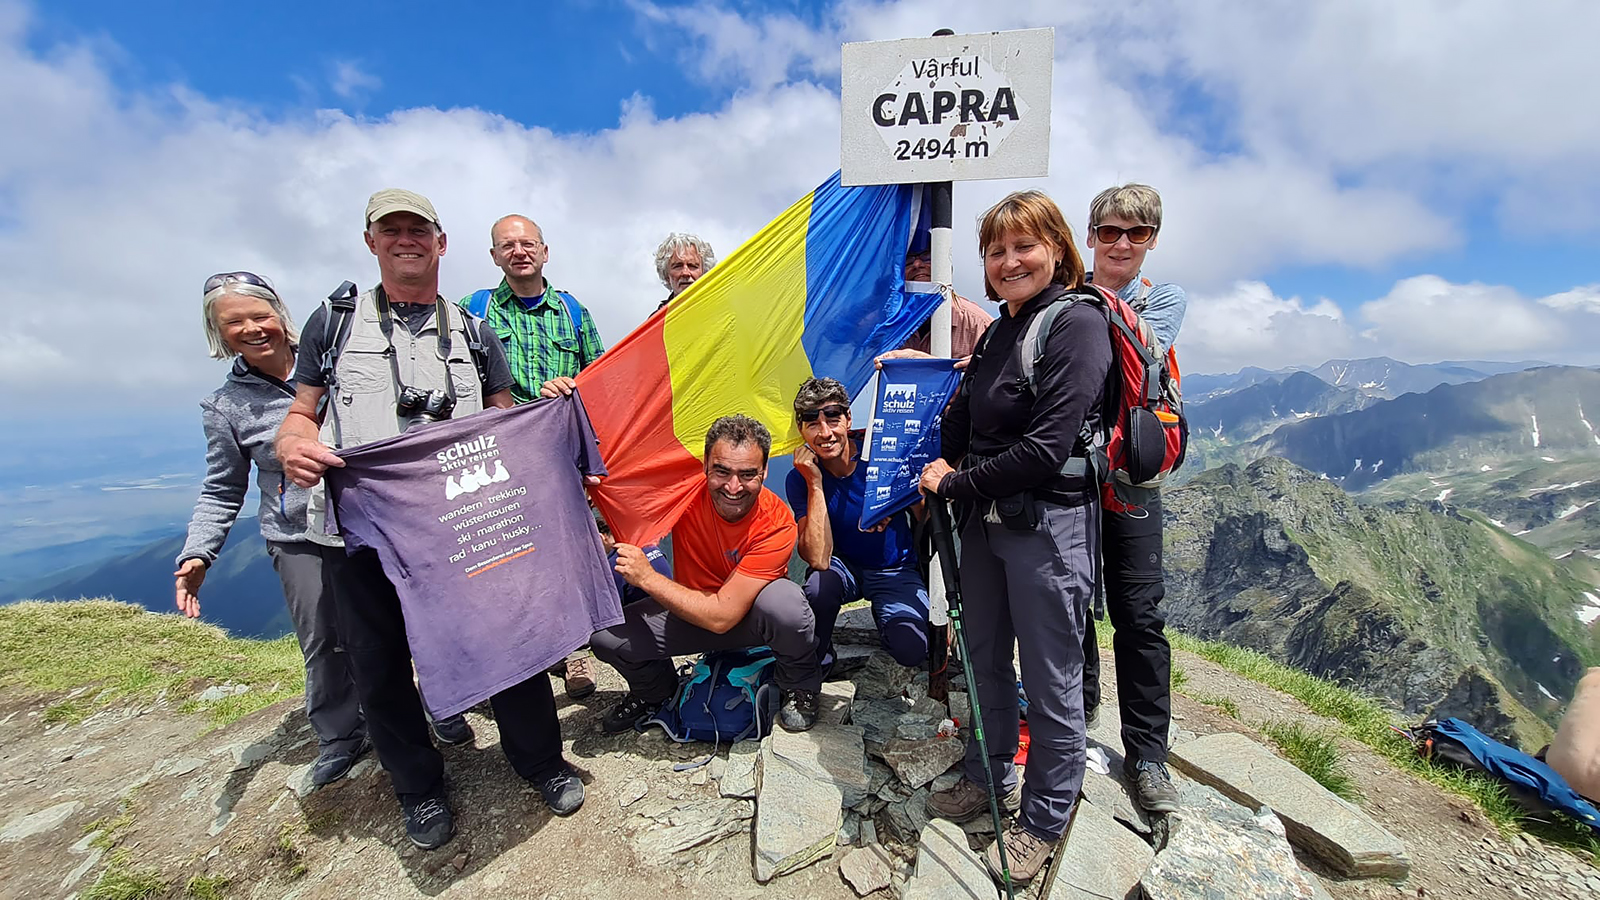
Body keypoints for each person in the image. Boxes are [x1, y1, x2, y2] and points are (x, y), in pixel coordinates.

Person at [277, 188, 585, 851]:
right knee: (379, 661)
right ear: (371, 242)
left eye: (419, 229)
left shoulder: (475, 332)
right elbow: (300, 414)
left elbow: (505, 420)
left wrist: (552, 413)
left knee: (510, 640)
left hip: (464, 524)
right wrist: (291, 442)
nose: (405, 239)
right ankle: (417, 789)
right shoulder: (333, 323)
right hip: (361, 531)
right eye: (391, 230)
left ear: (440, 243)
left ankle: (540, 761)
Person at [918, 190, 1113, 886]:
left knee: (1052, 674)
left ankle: (1044, 816)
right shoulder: (1001, 331)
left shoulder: (1077, 324)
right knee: (984, 655)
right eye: (996, 251)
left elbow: (1043, 447)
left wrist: (952, 485)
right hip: (988, 524)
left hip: (1048, 525)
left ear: (1057, 248)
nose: (1009, 261)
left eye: (1023, 246)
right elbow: (964, 428)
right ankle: (986, 771)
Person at [175, 271, 368, 788]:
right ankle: (339, 735)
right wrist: (199, 553)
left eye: (259, 316)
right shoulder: (226, 407)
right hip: (297, 534)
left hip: (366, 521)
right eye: (233, 322)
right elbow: (221, 488)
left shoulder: (342, 361)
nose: (252, 329)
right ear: (218, 334)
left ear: (281, 315)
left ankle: (427, 707)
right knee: (322, 637)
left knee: (392, 622)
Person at [572, 412, 822, 734]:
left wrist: (648, 578)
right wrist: (568, 410)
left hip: (750, 616)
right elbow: (615, 474)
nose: (733, 487)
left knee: (786, 605)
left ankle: (799, 685)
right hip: (692, 611)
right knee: (605, 636)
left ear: (764, 471)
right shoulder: (684, 491)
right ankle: (656, 693)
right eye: (722, 471)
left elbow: (721, 616)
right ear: (705, 464)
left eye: (747, 474)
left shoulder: (776, 522)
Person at [462, 213, 607, 699]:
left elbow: (599, 380)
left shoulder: (573, 313)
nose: (519, 251)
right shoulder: (471, 312)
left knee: (564, 548)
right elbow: (461, 385)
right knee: (506, 553)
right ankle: (517, 652)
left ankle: (575, 653)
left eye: (528, 244)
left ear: (545, 252)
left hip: (559, 454)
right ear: (494, 256)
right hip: (496, 458)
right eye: (508, 245)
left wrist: (572, 393)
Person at [1081, 183, 1187, 813]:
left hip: (1132, 480)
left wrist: (1078, 301)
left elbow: (1134, 347)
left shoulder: (1163, 299)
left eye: (1137, 233)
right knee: (1071, 604)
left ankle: (1148, 755)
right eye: (1111, 231)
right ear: (1091, 234)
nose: (1122, 243)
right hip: (1070, 475)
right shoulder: (1066, 297)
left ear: (1152, 241)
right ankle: (1079, 711)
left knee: (1140, 619)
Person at [785, 377, 929, 674]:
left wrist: (896, 498)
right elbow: (817, 558)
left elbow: (925, 515)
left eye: (832, 418)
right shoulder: (800, 477)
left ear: (848, 419)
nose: (825, 432)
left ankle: (889, 616)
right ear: (801, 430)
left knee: (912, 649)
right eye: (812, 423)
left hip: (894, 570)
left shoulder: (882, 457)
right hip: (844, 567)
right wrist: (814, 482)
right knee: (818, 587)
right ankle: (819, 660)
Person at [900, 240, 994, 359]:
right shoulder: (888, 326)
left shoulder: (978, 324)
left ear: (946, 267)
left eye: (927, 256)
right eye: (908, 261)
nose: (917, 264)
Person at [655, 232, 716, 309]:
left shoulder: (721, 310)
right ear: (667, 275)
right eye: (678, 266)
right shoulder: (660, 319)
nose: (685, 273)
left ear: (704, 272)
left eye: (692, 266)